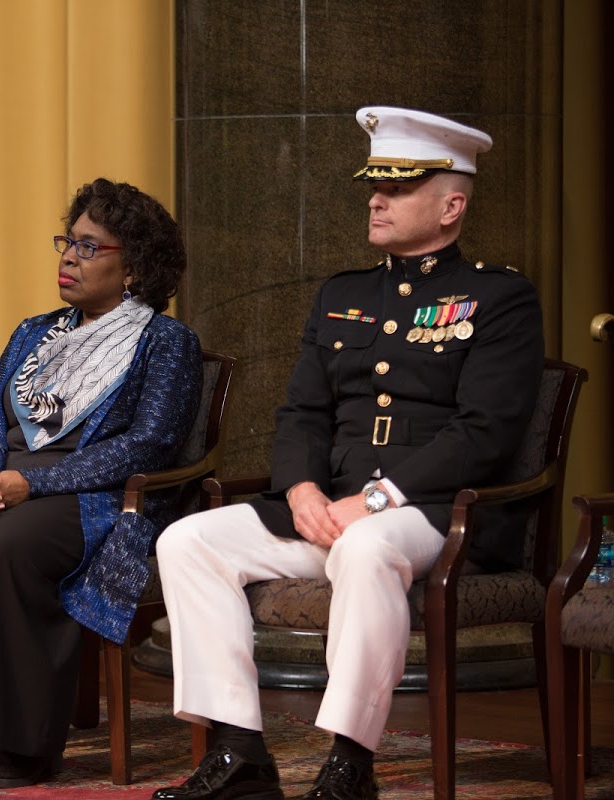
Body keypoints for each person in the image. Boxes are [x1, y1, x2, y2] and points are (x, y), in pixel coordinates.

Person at [151, 107, 544, 800]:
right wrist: (300, 489)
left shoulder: (498, 297)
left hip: (430, 516)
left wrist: (376, 500)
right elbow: (302, 412)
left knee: (365, 550)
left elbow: (485, 430)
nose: (375, 197)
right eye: (375, 185)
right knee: (189, 540)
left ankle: (349, 760)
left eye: (397, 188)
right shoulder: (343, 294)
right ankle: (239, 750)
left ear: (451, 205)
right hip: (331, 507)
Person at [0, 178, 204, 789]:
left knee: (8, 551)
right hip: (5, 483)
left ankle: (22, 744)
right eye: (66, 242)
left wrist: (35, 484)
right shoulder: (34, 332)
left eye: (88, 247)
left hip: (96, 497)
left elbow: (149, 444)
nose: (68, 258)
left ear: (133, 268)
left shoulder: (166, 341)